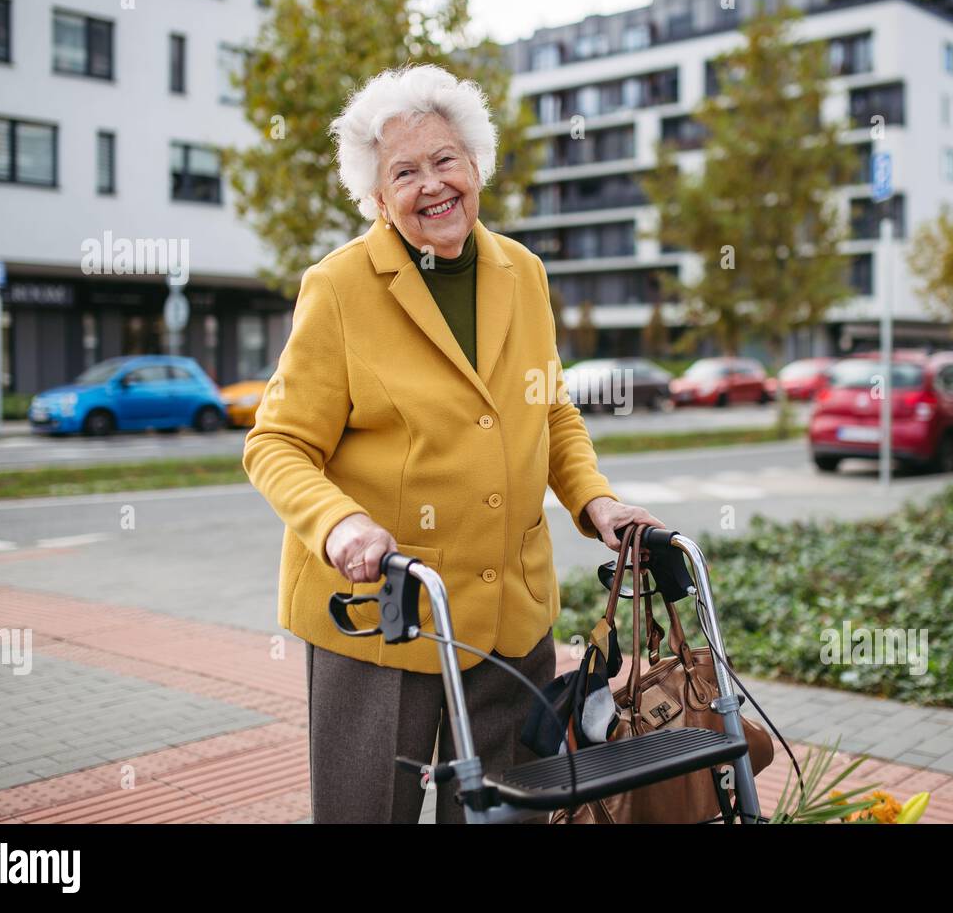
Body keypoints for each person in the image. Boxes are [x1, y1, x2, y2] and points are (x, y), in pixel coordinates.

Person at [242, 63, 663, 823]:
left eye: (445, 160)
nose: (431, 184)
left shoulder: (523, 274)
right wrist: (338, 524)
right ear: (377, 196)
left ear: (476, 166)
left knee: (505, 816)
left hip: (511, 611)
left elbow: (550, 410)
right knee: (370, 811)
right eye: (404, 171)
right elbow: (275, 443)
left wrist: (594, 499)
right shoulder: (339, 288)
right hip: (384, 610)